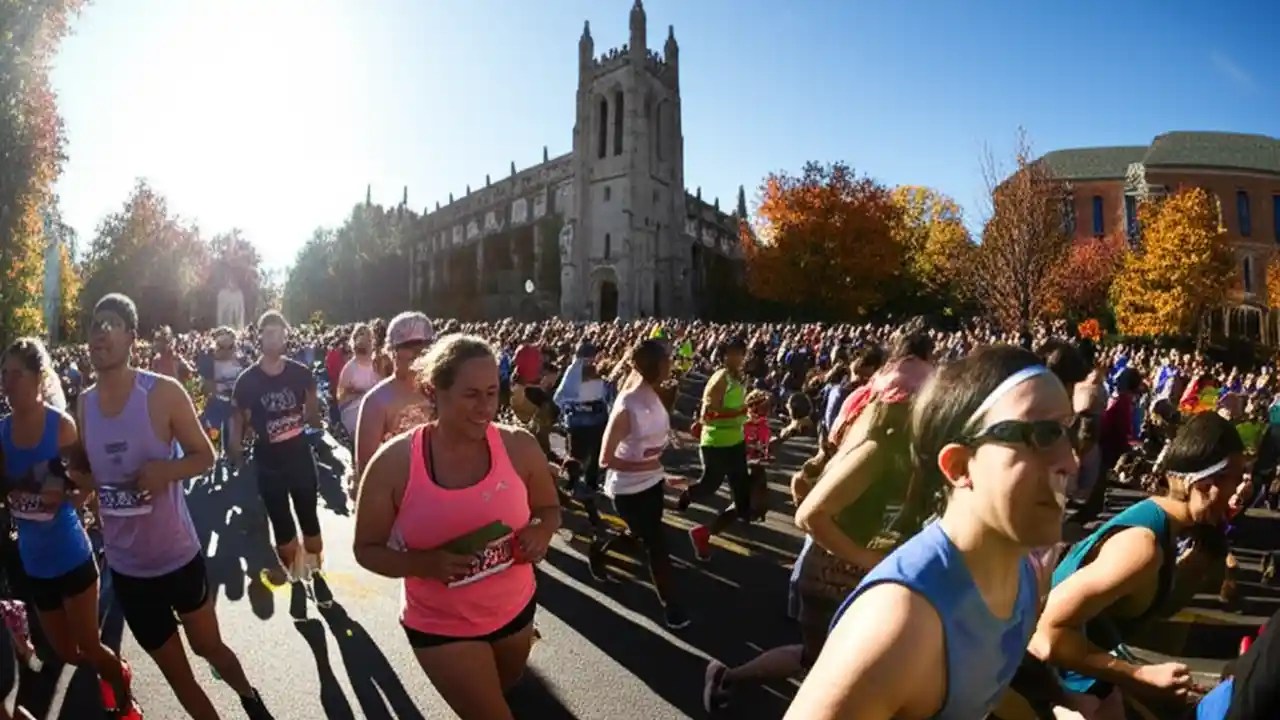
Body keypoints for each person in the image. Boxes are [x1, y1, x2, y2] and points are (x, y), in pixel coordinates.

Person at [786, 345, 1076, 720]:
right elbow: (811, 514)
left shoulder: (1027, 575)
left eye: (1067, 432)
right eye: (1041, 435)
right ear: (958, 465)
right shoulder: (900, 623)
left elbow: (977, 691)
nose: (1070, 461)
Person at [74, 293, 270, 719]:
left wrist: (165, 471)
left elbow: (205, 456)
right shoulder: (84, 404)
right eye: (94, 325)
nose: (99, 333)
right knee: (180, 678)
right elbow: (93, 477)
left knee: (209, 648)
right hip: (128, 570)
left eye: (110, 324)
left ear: (132, 337)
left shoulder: (162, 393)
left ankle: (249, 696)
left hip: (177, 558)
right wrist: (76, 489)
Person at [353, 334, 561, 720]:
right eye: (471, 395)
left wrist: (540, 531)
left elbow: (549, 509)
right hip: (441, 627)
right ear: (435, 391)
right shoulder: (394, 463)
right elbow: (365, 549)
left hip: (516, 611)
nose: (486, 407)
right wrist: (425, 564)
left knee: (504, 688)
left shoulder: (519, 446)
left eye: (491, 393)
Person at [1030, 412, 1248, 718]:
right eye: (1236, 480)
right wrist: (1139, 676)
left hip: (1076, 682)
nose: (1240, 495)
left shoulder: (1163, 524)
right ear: (1205, 484)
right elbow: (1047, 635)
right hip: (1054, 690)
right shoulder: (1142, 548)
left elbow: (1129, 613)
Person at [0, 338, 135, 714]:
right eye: (4, 374)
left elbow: (89, 480)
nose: (7, 383)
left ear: (38, 377)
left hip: (71, 556)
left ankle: (123, 695)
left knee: (90, 646)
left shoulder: (60, 426)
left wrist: (69, 497)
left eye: (16, 374)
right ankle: (115, 670)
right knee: (66, 652)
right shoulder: (2, 434)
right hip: (35, 565)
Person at [230, 311, 330, 603]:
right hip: (268, 462)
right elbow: (238, 418)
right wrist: (235, 447)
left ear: (286, 336)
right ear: (259, 336)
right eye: (269, 333)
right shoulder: (247, 380)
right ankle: (296, 577)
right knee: (282, 524)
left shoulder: (301, 373)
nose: (275, 339)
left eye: (280, 333)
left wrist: (318, 425)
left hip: (299, 455)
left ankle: (315, 572)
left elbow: (313, 414)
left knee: (309, 518)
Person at [590, 339, 688, 628]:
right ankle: (672, 606)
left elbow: (650, 447)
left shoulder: (656, 394)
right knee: (656, 543)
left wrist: (662, 475)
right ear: (654, 365)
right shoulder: (628, 405)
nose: (671, 363)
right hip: (627, 489)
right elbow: (606, 459)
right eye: (667, 359)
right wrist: (652, 468)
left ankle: (600, 549)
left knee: (642, 537)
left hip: (652, 483)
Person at [679, 337, 752, 561]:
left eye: (741, 353)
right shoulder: (720, 378)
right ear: (724, 355)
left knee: (743, 495)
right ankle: (689, 494)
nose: (738, 357)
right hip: (716, 443)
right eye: (733, 353)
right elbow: (707, 415)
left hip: (736, 441)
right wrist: (739, 413)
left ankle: (706, 533)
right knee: (709, 486)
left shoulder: (739, 377)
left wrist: (746, 411)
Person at [352, 311, 435, 495]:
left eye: (425, 345)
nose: (418, 352)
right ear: (392, 351)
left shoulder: (440, 392)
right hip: (397, 494)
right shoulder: (377, 400)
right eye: (409, 346)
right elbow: (366, 467)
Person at [337, 323, 382, 440]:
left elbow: (387, 392)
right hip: (354, 413)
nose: (364, 340)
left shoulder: (378, 365)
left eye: (368, 338)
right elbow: (341, 398)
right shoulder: (349, 368)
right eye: (360, 336)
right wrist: (359, 394)